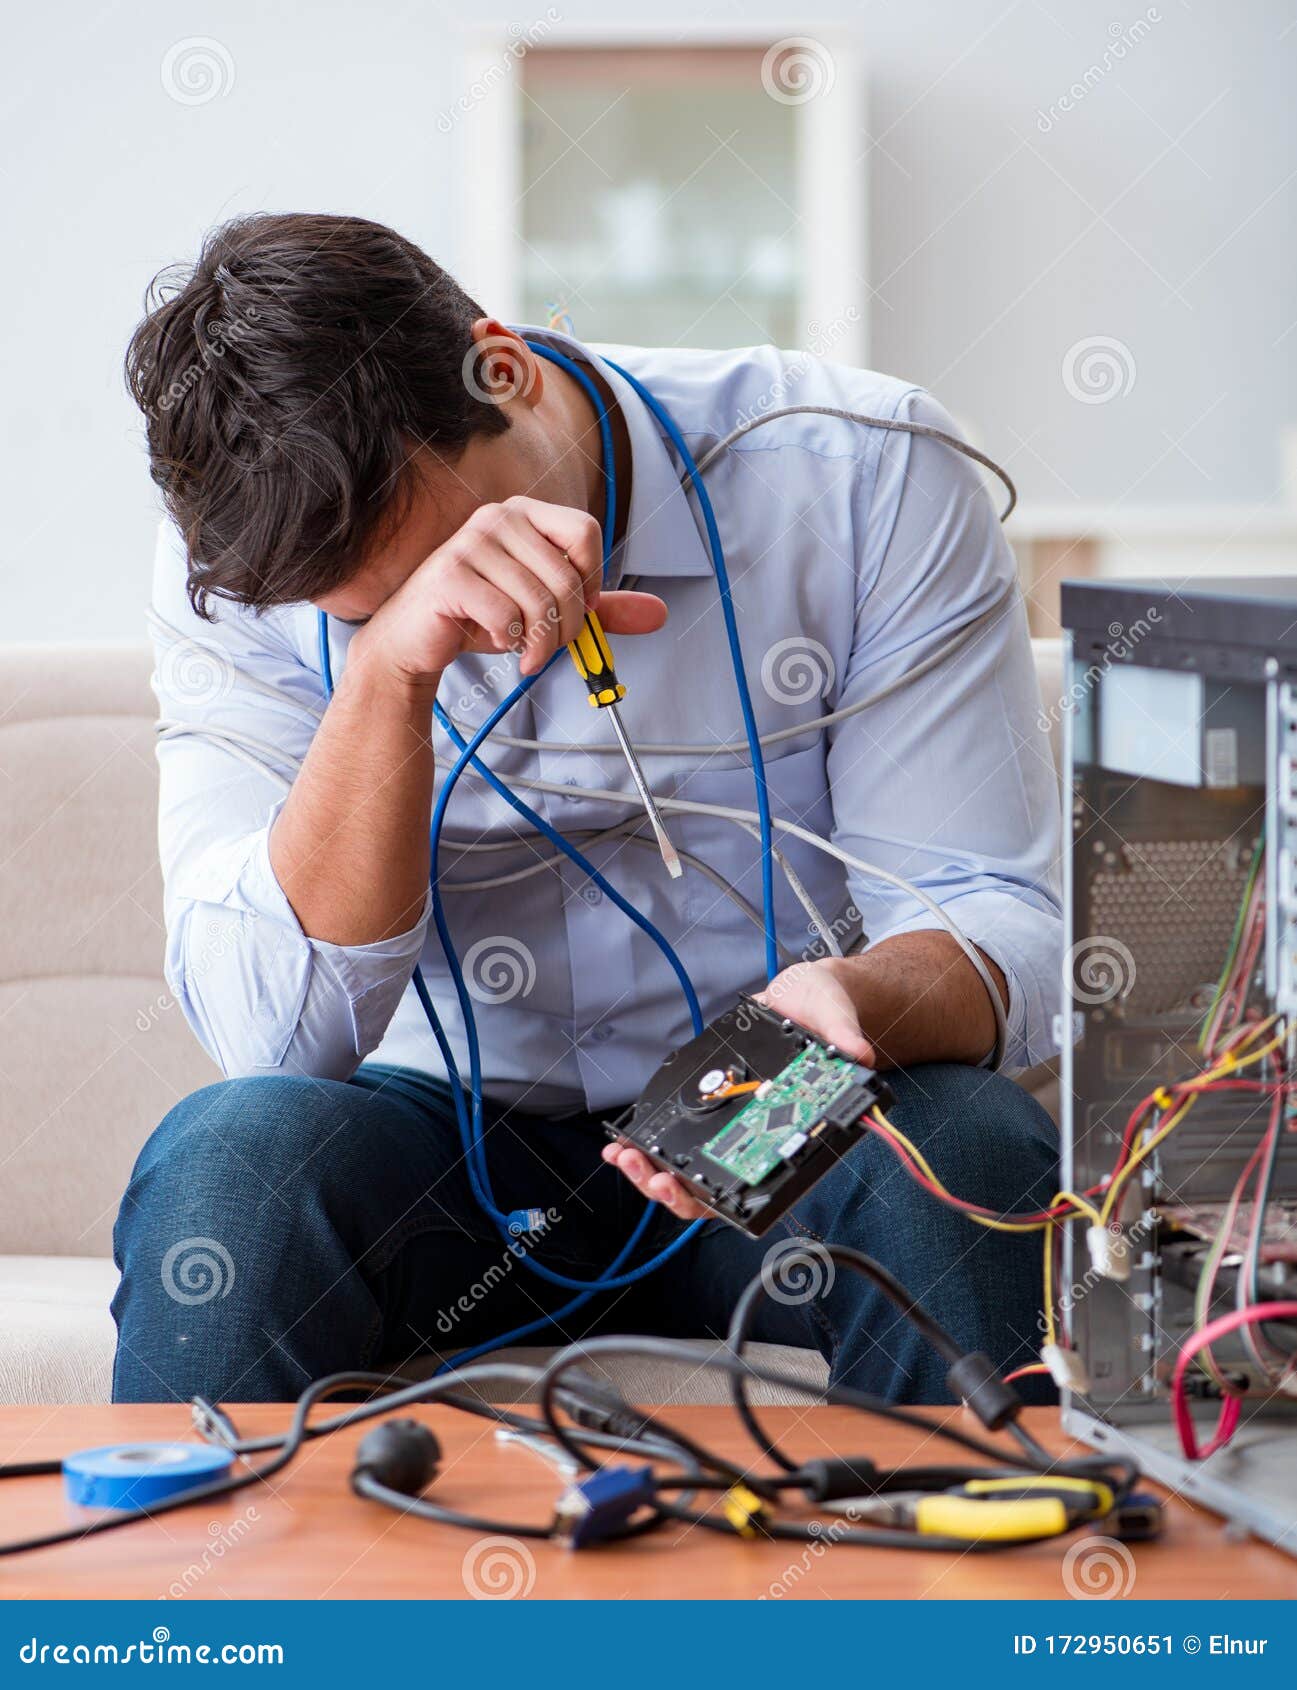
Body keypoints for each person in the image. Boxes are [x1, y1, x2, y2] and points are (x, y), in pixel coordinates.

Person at [112, 211, 1061, 1405]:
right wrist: (385, 678)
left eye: (432, 563)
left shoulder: (860, 472)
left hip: (761, 1105)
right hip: (441, 1144)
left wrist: (855, 998)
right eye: (366, 609)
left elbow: (998, 919)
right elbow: (275, 1038)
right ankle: (182, 1599)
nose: (460, 620)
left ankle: (1002, 1582)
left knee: (962, 1149)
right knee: (229, 1168)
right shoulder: (244, 559)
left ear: (498, 367)